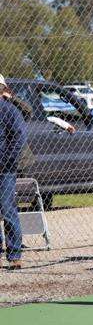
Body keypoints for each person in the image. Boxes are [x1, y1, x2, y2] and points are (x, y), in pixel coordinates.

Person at [0, 75, 28, 270]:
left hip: (5, 168)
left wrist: (6, 160)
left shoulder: (9, 110)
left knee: (7, 207)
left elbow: (19, 137)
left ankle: (14, 254)